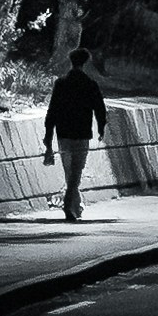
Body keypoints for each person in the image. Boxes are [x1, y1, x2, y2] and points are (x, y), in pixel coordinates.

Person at [42, 53, 110, 222]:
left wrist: (48, 137)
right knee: (77, 171)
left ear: (70, 63)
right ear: (85, 63)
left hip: (63, 133)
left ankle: (75, 205)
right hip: (81, 133)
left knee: (69, 171)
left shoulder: (61, 84)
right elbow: (99, 109)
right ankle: (69, 204)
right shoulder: (90, 84)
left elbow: (52, 112)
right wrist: (101, 127)